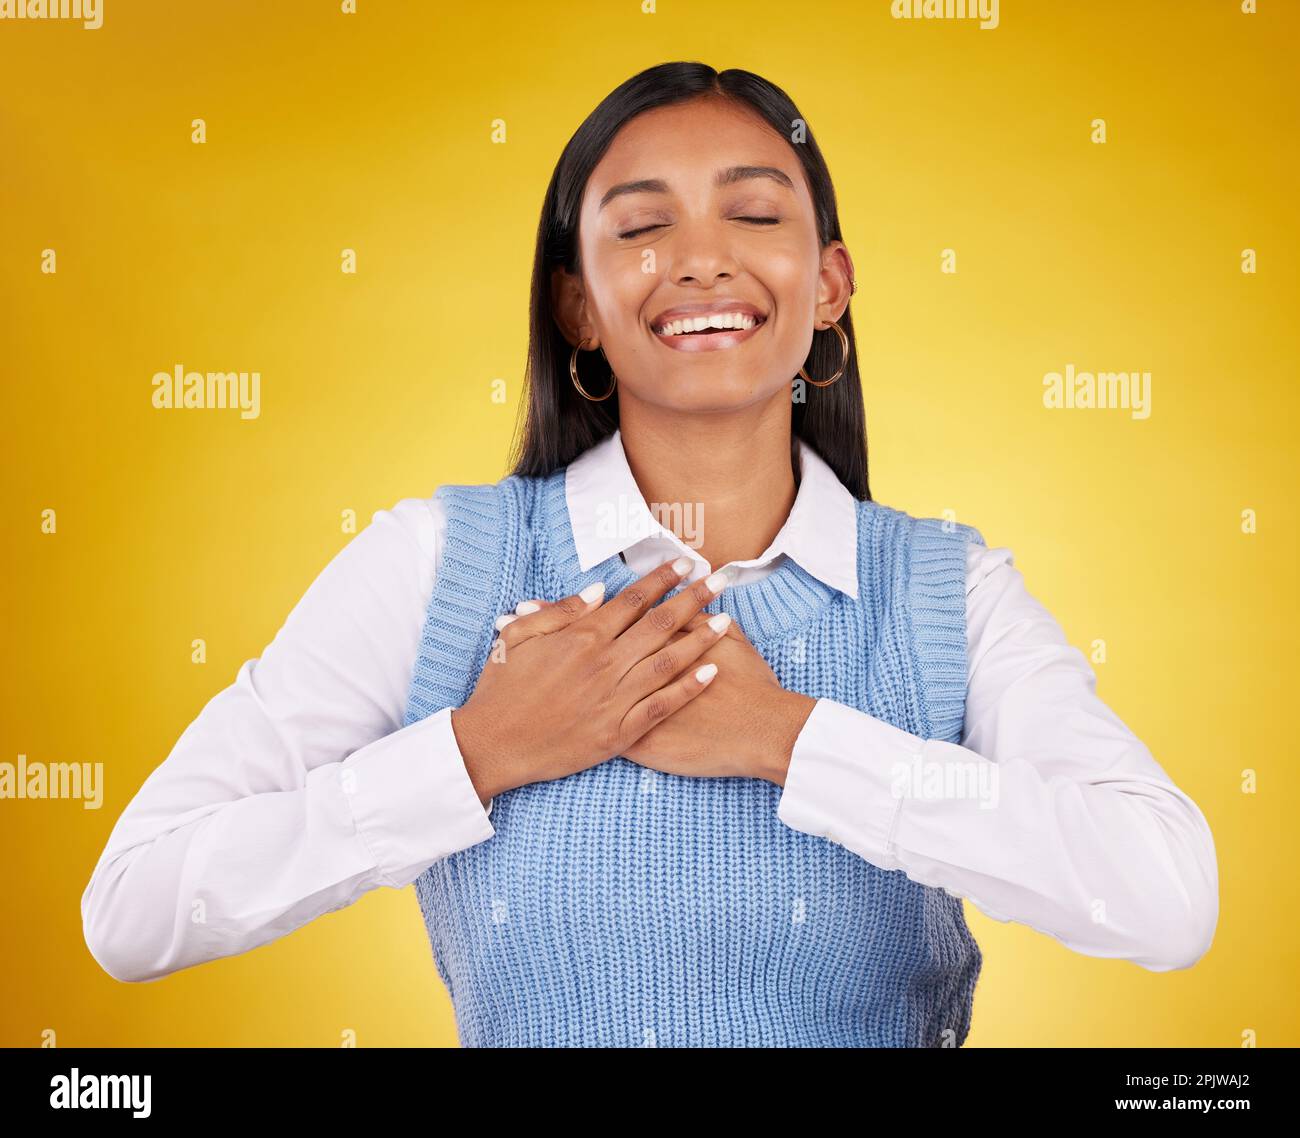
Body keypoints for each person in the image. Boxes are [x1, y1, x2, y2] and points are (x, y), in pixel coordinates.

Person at [81, 62, 1218, 1047]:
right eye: (639, 226)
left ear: (828, 286)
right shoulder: (440, 566)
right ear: (577, 305)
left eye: (754, 215)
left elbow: (1165, 895)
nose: (700, 261)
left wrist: (792, 742)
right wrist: (479, 751)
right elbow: (134, 907)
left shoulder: (946, 593)